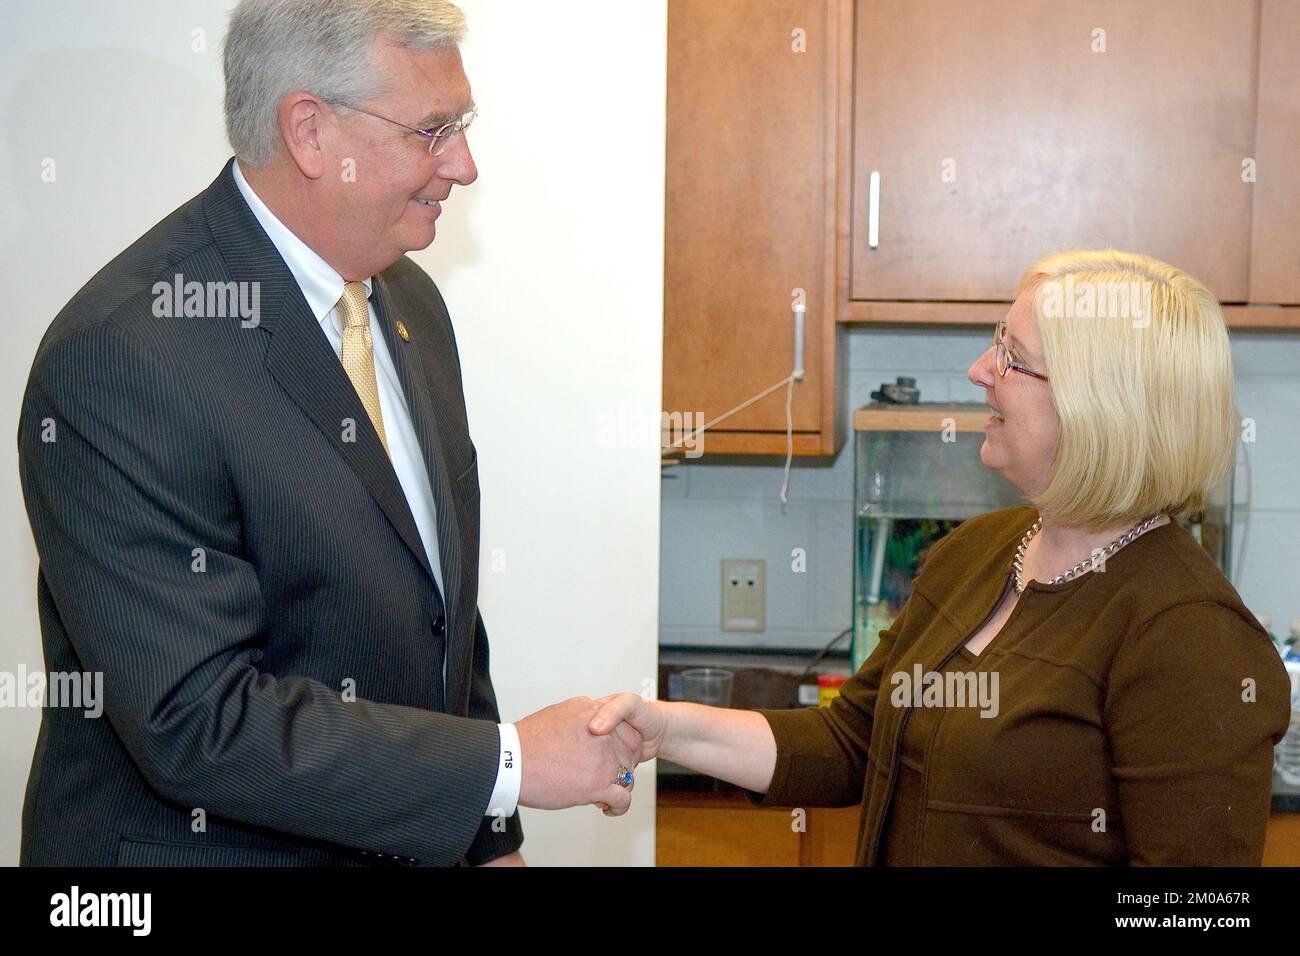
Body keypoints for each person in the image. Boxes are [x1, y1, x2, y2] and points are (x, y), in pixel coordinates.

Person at [17, 0, 638, 868]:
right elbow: (198, 720)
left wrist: (490, 839)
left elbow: (438, 618)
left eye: (462, 125)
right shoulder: (124, 355)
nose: (463, 165)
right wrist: (508, 767)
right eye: (433, 130)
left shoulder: (408, 302)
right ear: (309, 132)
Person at [593, 249, 1292, 865]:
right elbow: (850, 743)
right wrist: (668, 728)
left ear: (1101, 409)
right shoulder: (977, 553)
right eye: (996, 342)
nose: (981, 370)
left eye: (1013, 358)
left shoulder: (1188, 634)